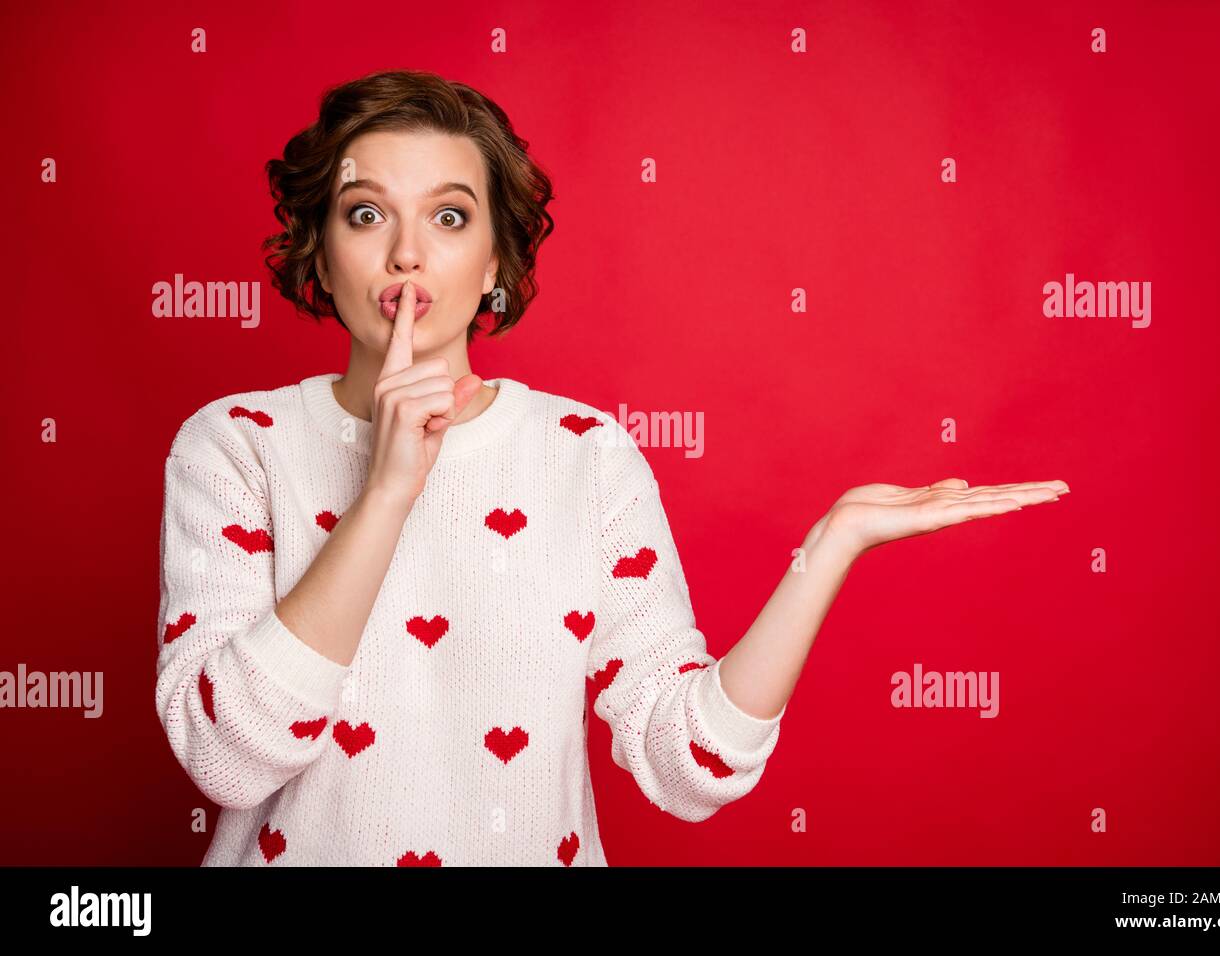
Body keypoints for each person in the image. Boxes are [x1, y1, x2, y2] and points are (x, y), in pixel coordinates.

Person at [154, 69, 1068, 867]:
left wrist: (829, 549)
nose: (406, 252)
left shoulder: (583, 456)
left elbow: (690, 760)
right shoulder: (235, 444)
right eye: (365, 214)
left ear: (496, 265)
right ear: (318, 248)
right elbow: (229, 755)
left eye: (448, 215)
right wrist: (388, 491)